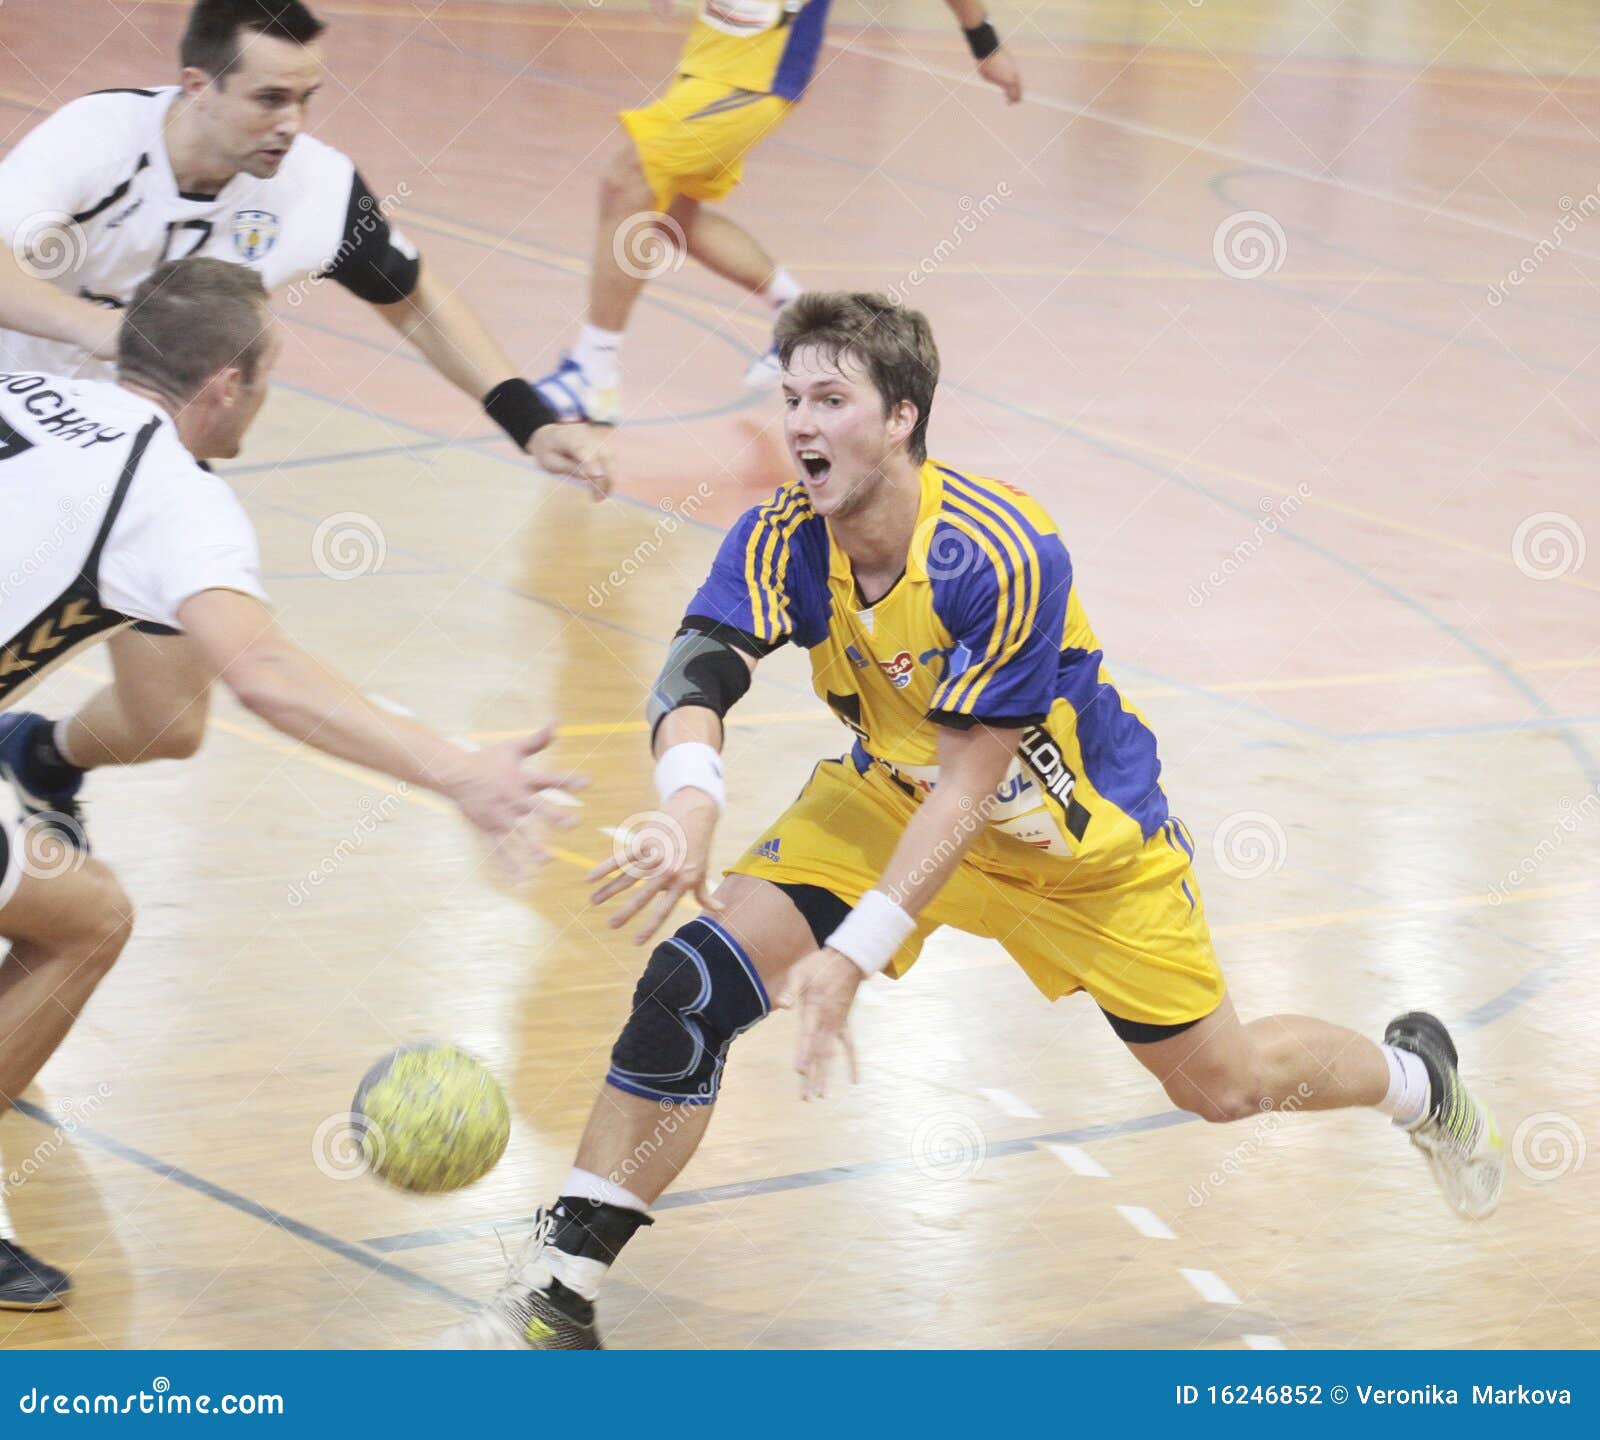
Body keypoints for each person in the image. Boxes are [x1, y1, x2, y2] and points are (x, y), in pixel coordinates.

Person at [443, 291, 1504, 1350]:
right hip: (886, 802)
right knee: (690, 985)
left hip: (1083, 860)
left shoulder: (997, 551)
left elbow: (971, 785)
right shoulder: (780, 536)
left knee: (1224, 1090)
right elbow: (697, 674)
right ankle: (558, 1289)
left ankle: (1418, 1082)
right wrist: (687, 809)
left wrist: (851, 956)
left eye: (829, 398)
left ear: (901, 415)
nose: (800, 423)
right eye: (789, 397)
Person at [0, 258, 583, 1311]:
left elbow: (169, 713)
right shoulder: (175, 494)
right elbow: (265, 675)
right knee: (85, 922)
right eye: (266, 377)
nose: (264, 398)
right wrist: (457, 772)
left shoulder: (28, 389)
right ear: (225, 386)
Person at [0, 0, 609, 848]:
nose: (291, 123)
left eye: (306, 98)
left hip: (150, 462)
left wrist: (527, 417)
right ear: (196, 86)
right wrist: (105, 332)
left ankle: (42, 755)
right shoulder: (96, 140)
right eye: (268, 98)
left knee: (169, 725)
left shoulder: (316, 186)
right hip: (26, 418)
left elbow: (413, 295)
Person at [531, 0, 1024, 426]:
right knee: (669, 218)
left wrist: (985, 43)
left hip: (757, 79)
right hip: (707, 60)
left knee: (627, 183)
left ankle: (592, 373)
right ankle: (793, 309)